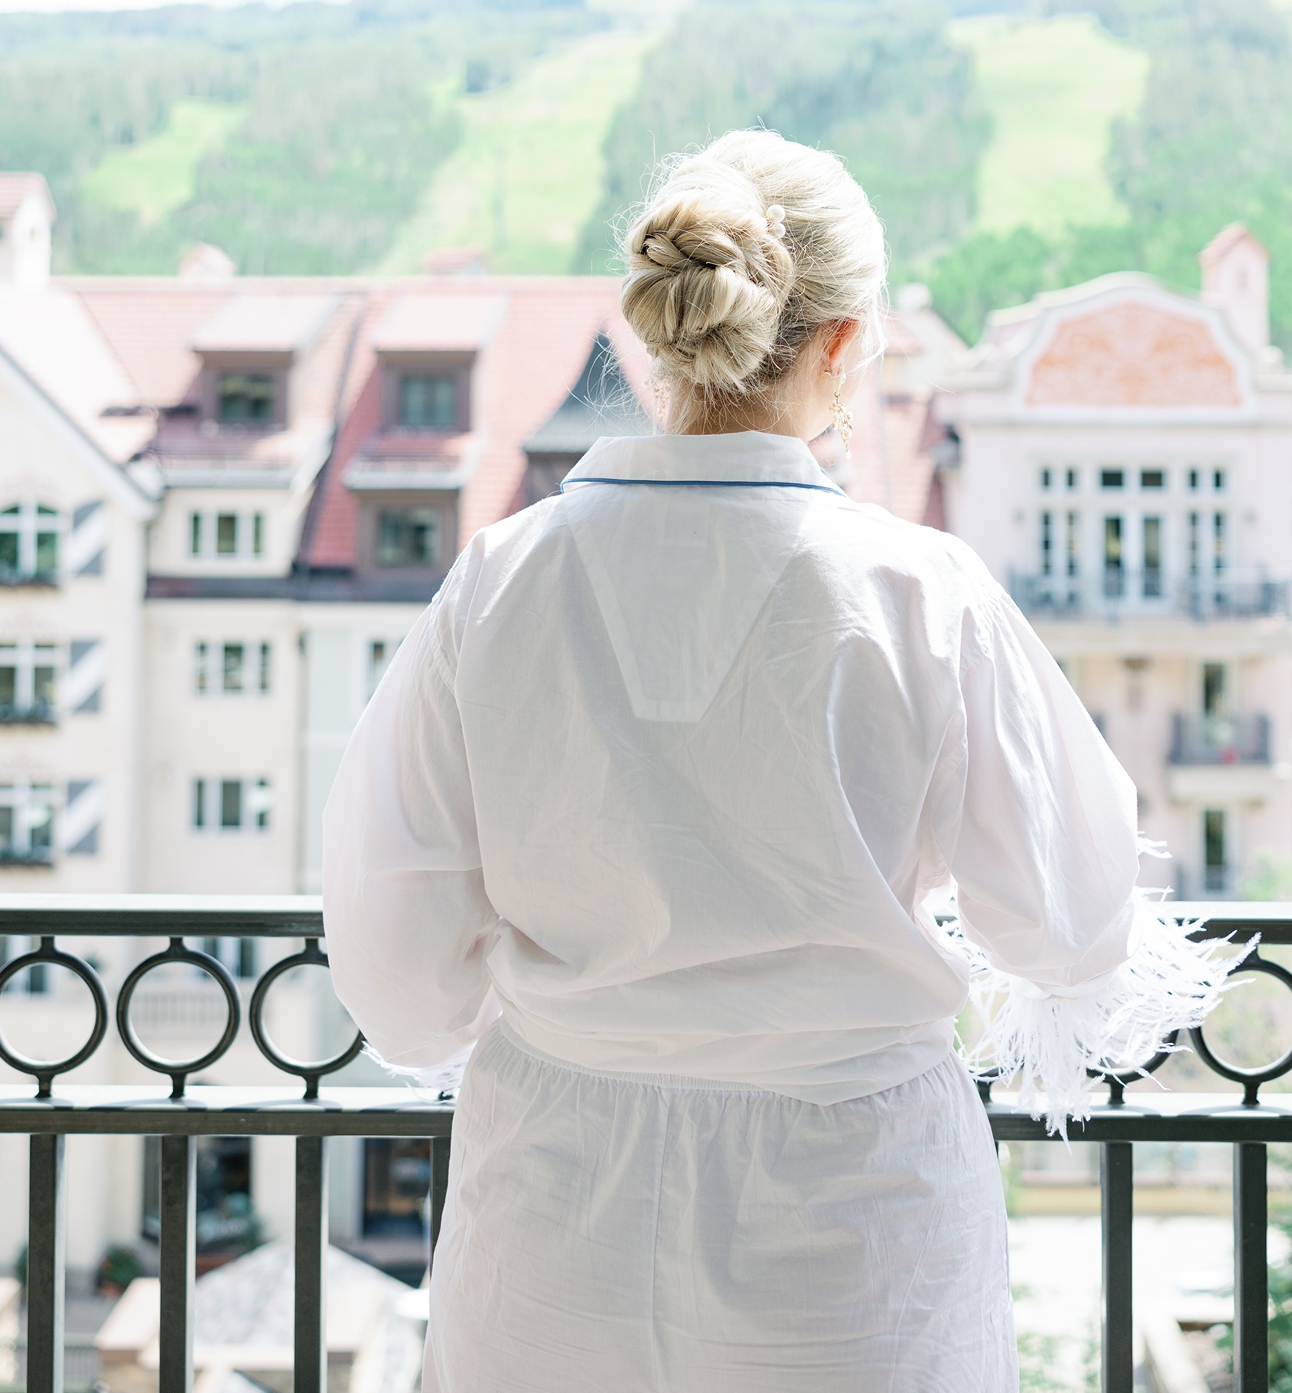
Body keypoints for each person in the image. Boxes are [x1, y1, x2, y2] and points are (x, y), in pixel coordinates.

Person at [322, 129, 1228, 1392]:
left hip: (554, 1207)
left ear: (656, 331)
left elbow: (397, 967)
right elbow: (1070, 922)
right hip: (852, 1224)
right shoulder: (920, 589)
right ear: (843, 343)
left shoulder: (498, 580)